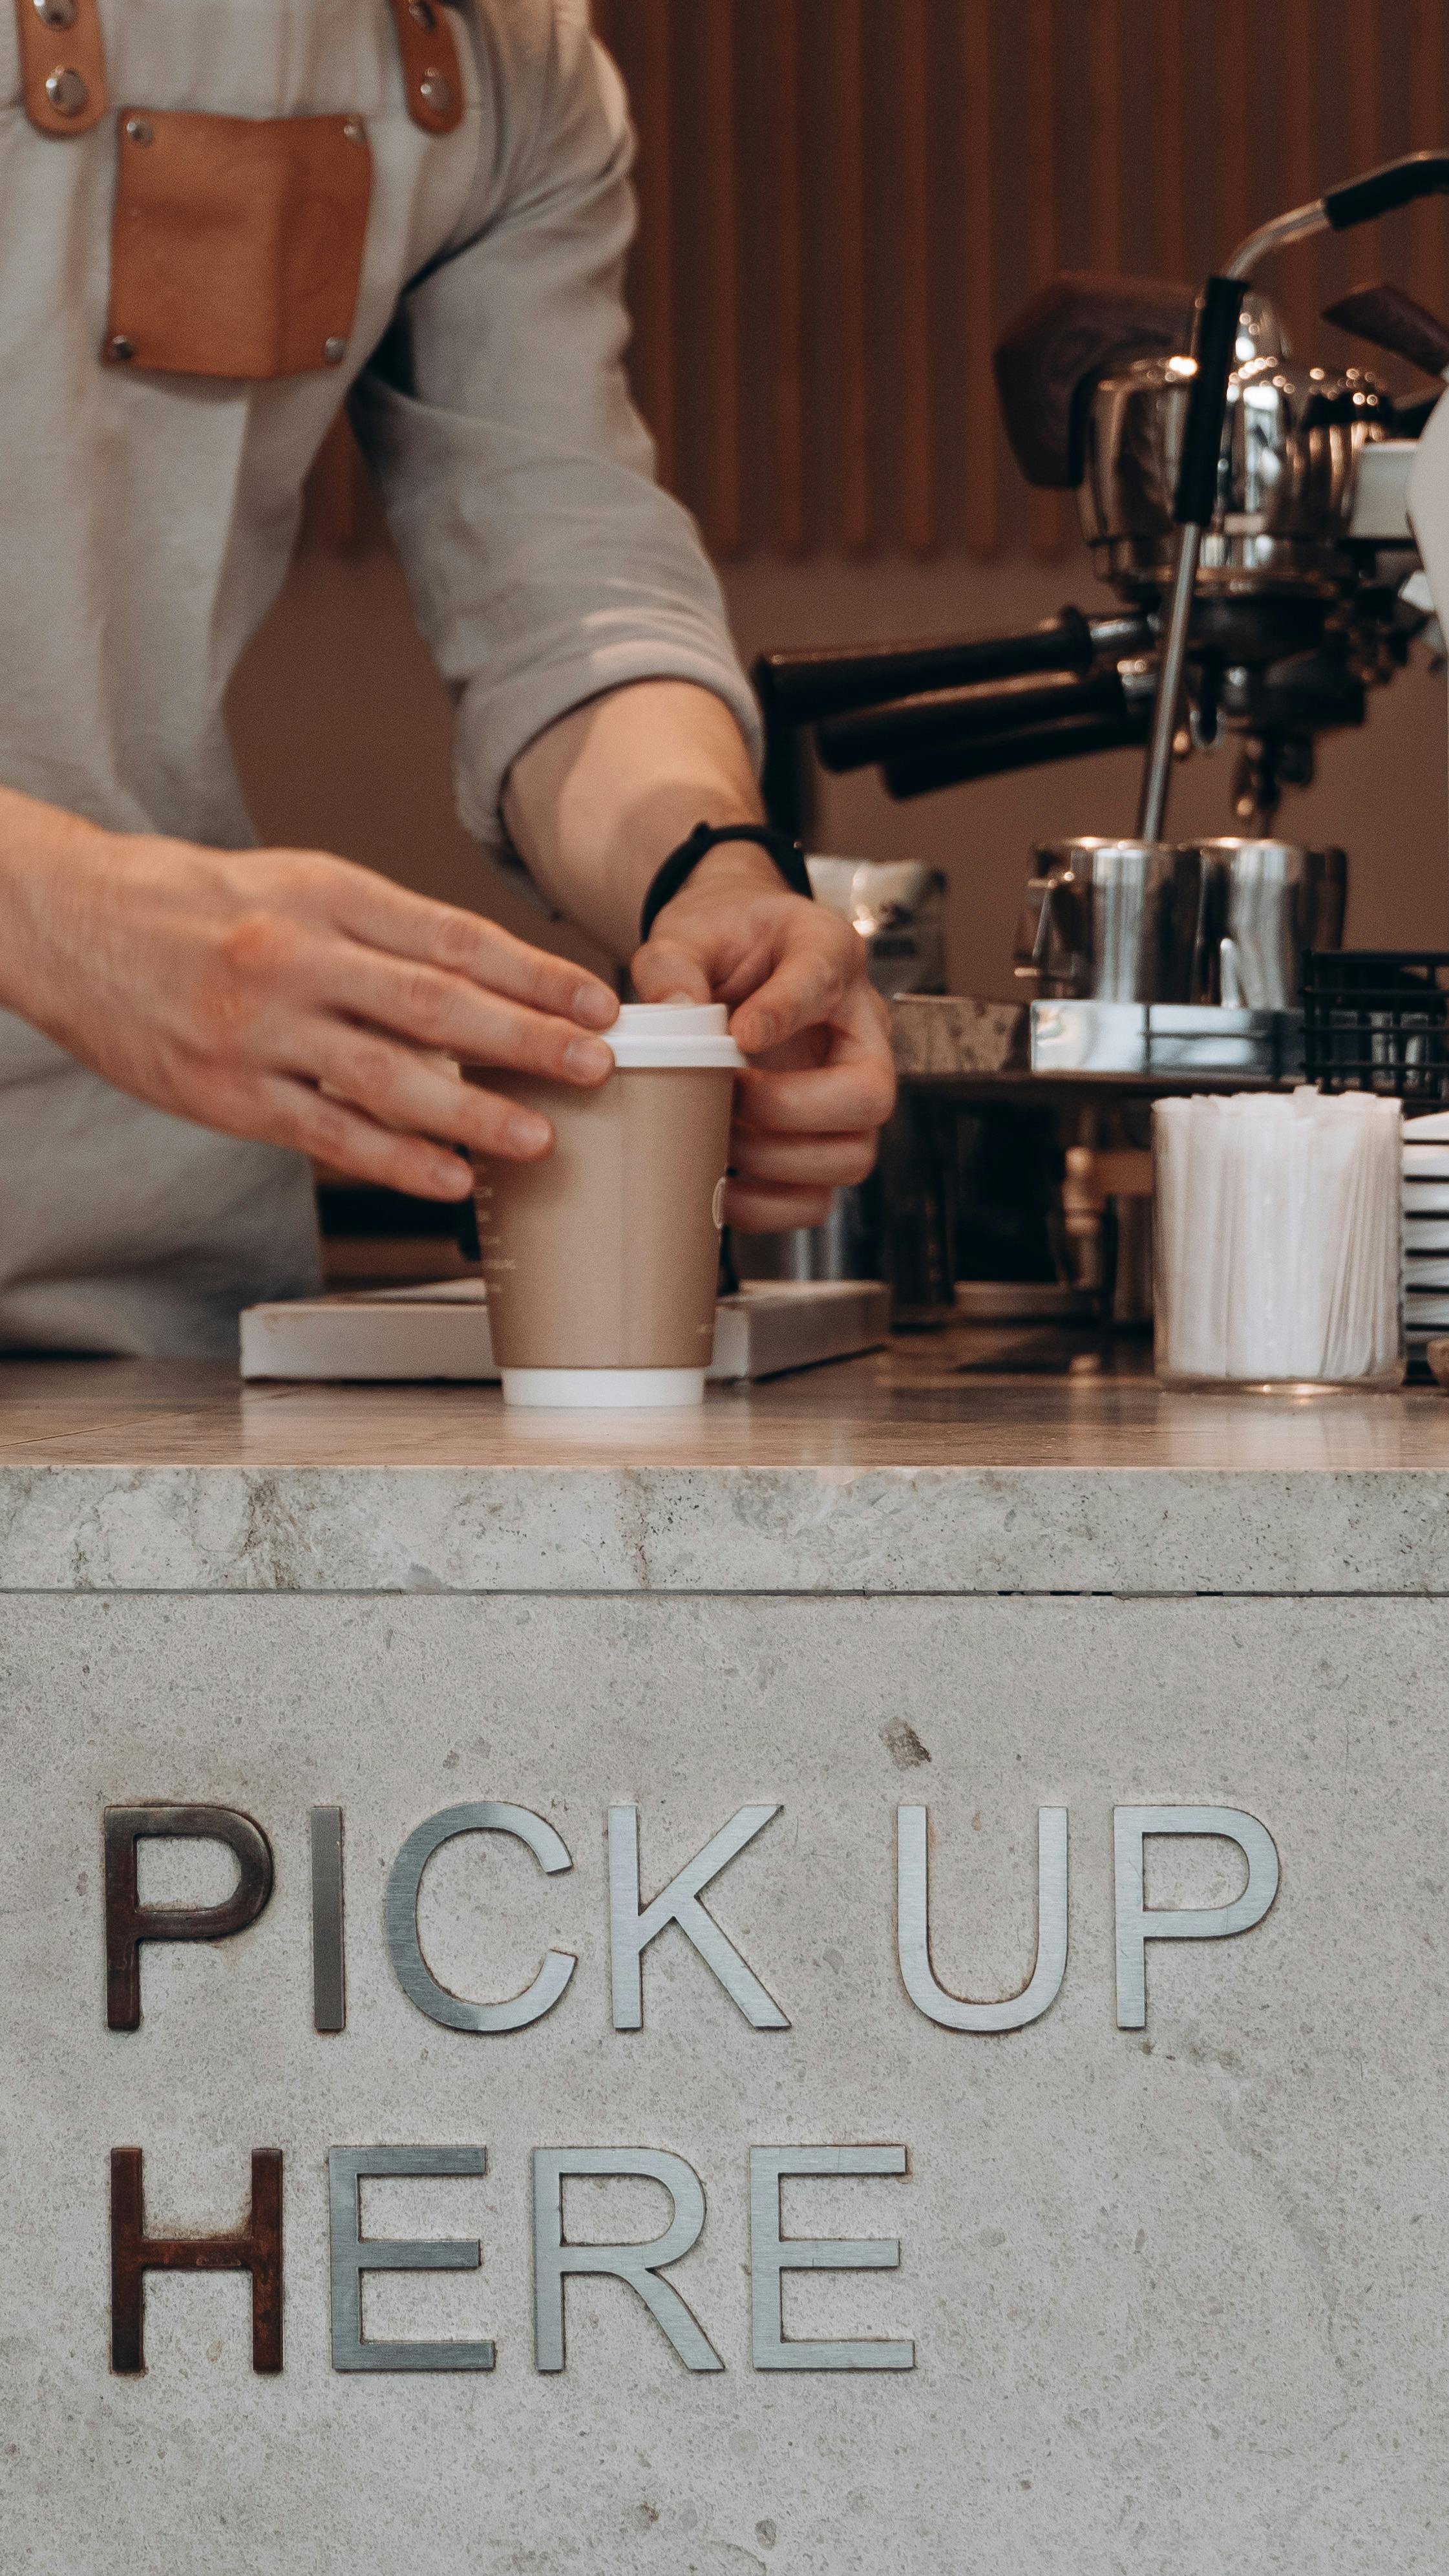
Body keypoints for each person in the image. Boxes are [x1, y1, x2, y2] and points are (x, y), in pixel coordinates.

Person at [0, 0, 894, 1355]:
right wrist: (62, 916)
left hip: (139, 1272)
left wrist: (710, 874)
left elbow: (564, 596)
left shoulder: (504, 60)